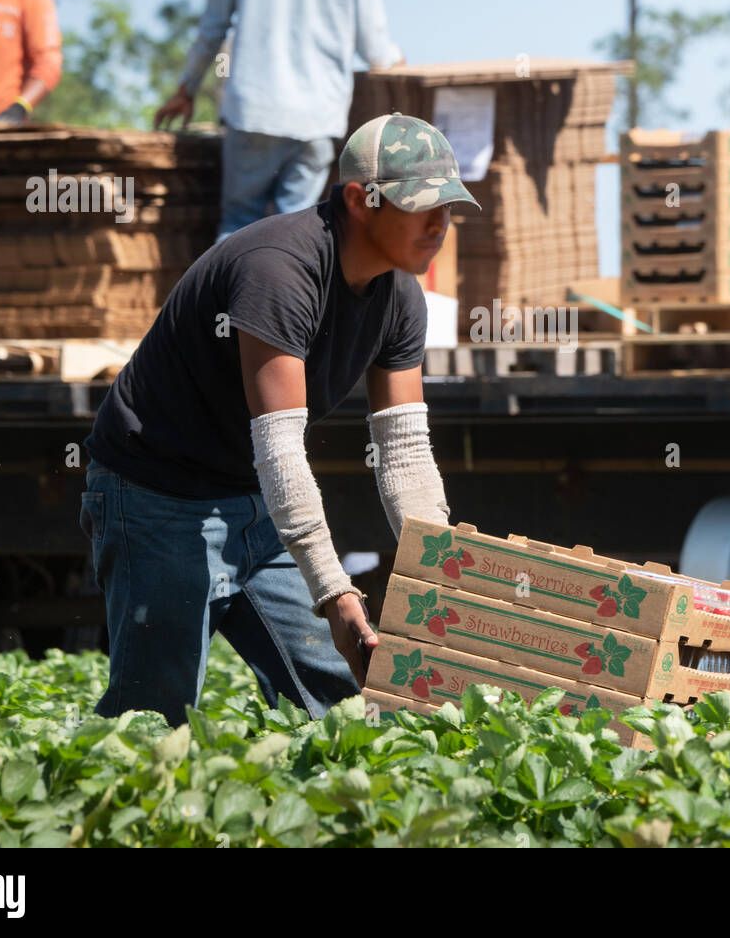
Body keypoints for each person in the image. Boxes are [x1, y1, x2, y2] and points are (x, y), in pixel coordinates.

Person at [79, 114, 480, 726]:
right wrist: (335, 591)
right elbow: (282, 452)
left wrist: (441, 575)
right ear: (359, 200)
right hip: (155, 493)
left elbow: (403, 454)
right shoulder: (278, 269)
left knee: (342, 699)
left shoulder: (401, 298)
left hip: (254, 500)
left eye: (447, 206)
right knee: (153, 722)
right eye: (420, 206)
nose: (439, 224)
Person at [154, 0, 404, 240]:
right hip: (316, 123)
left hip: (253, 115)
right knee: (294, 240)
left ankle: (228, 303)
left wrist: (186, 90)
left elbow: (211, 29)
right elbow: (379, 53)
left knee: (238, 230)